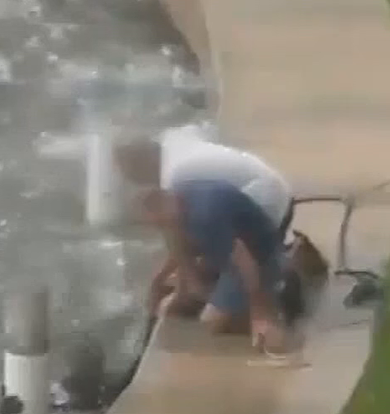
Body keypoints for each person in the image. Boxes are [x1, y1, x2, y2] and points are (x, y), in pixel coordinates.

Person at [139, 179, 289, 351]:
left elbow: (244, 260)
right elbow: (179, 243)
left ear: (168, 205)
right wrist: (161, 281)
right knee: (176, 301)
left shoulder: (205, 217)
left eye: (163, 223)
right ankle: (228, 298)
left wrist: (258, 313)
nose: (164, 228)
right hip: (224, 246)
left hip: (259, 253)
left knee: (209, 324)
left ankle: (272, 296)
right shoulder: (179, 198)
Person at [114, 131, 294, 231]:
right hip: (277, 185)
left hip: (267, 208)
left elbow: (180, 232)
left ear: (145, 161)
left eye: (134, 174)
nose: (138, 182)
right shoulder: (175, 139)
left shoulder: (174, 177)